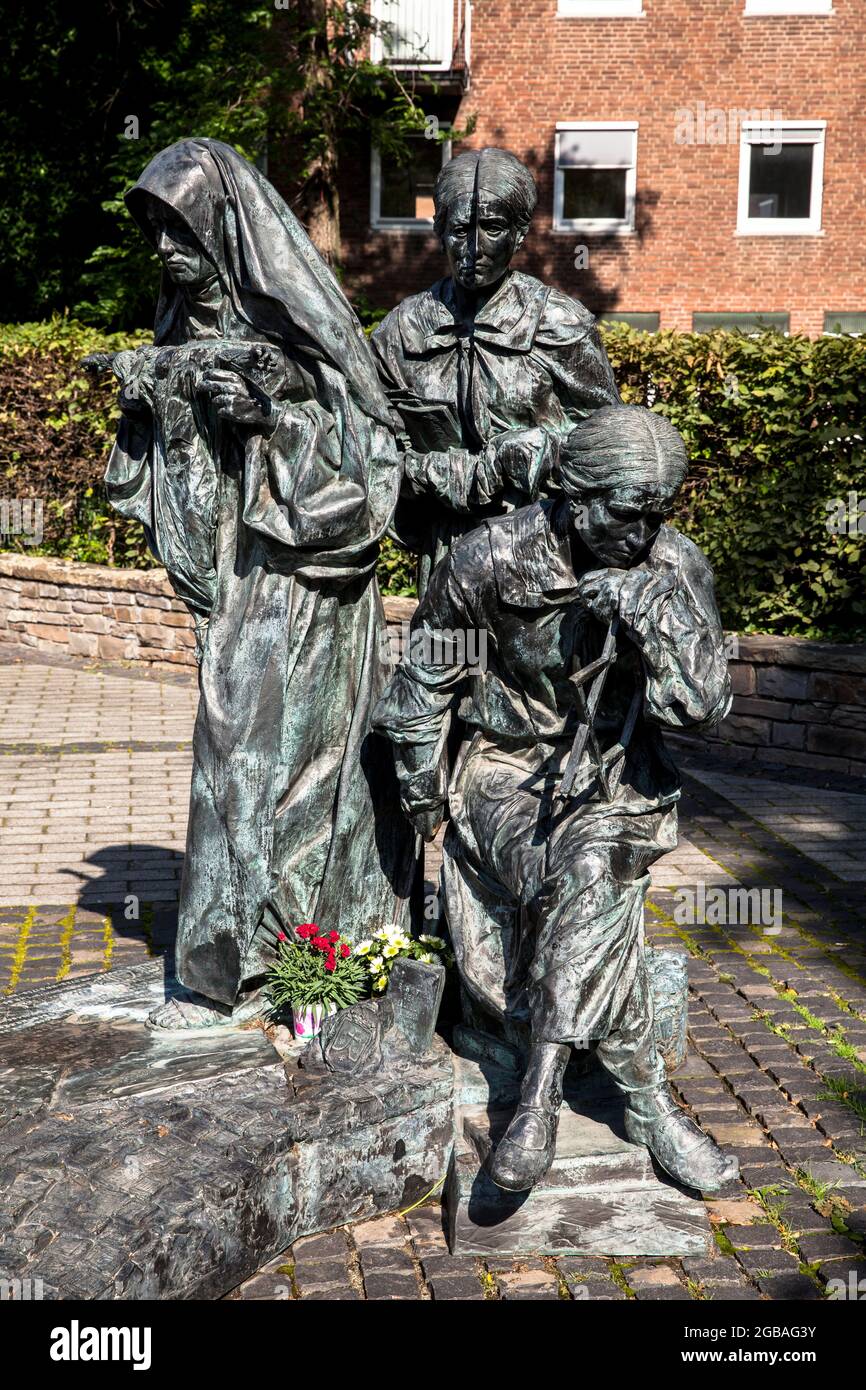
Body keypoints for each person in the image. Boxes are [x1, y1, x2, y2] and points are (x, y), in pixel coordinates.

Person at [372, 404, 739, 1193]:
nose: (642, 536)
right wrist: (423, 795)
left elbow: (707, 705)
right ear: (575, 493)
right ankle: (650, 1111)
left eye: (658, 517)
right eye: (627, 515)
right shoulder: (490, 560)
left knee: (595, 865)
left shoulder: (671, 568)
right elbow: (424, 684)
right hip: (506, 769)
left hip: (615, 779)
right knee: (593, 877)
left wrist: (656, 619)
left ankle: (537, 1097)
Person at [103, 138, 416, 1029]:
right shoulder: (187, 323)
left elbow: (372, 457)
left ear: (224, 233)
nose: (166, 254)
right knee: (236, 748)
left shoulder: (298, 325)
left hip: (307, 586)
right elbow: (178, 468)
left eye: (181, 234)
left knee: (289, 759)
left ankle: (306, 951)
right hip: (243, 578)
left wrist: (272, 424)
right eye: (157, 236)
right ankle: (235, 951)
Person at [372, 147, 621, 596]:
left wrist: (542, 449)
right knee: (446, 662)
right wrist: (436, 474)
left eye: (492, 228)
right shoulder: (402, 331)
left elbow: (611, 448)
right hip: (446, 553)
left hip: (539, 551)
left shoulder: (558, 323)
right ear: (439, 230)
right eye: (460, 229)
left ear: (520, 234)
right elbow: (369, 446)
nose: (473, 249)